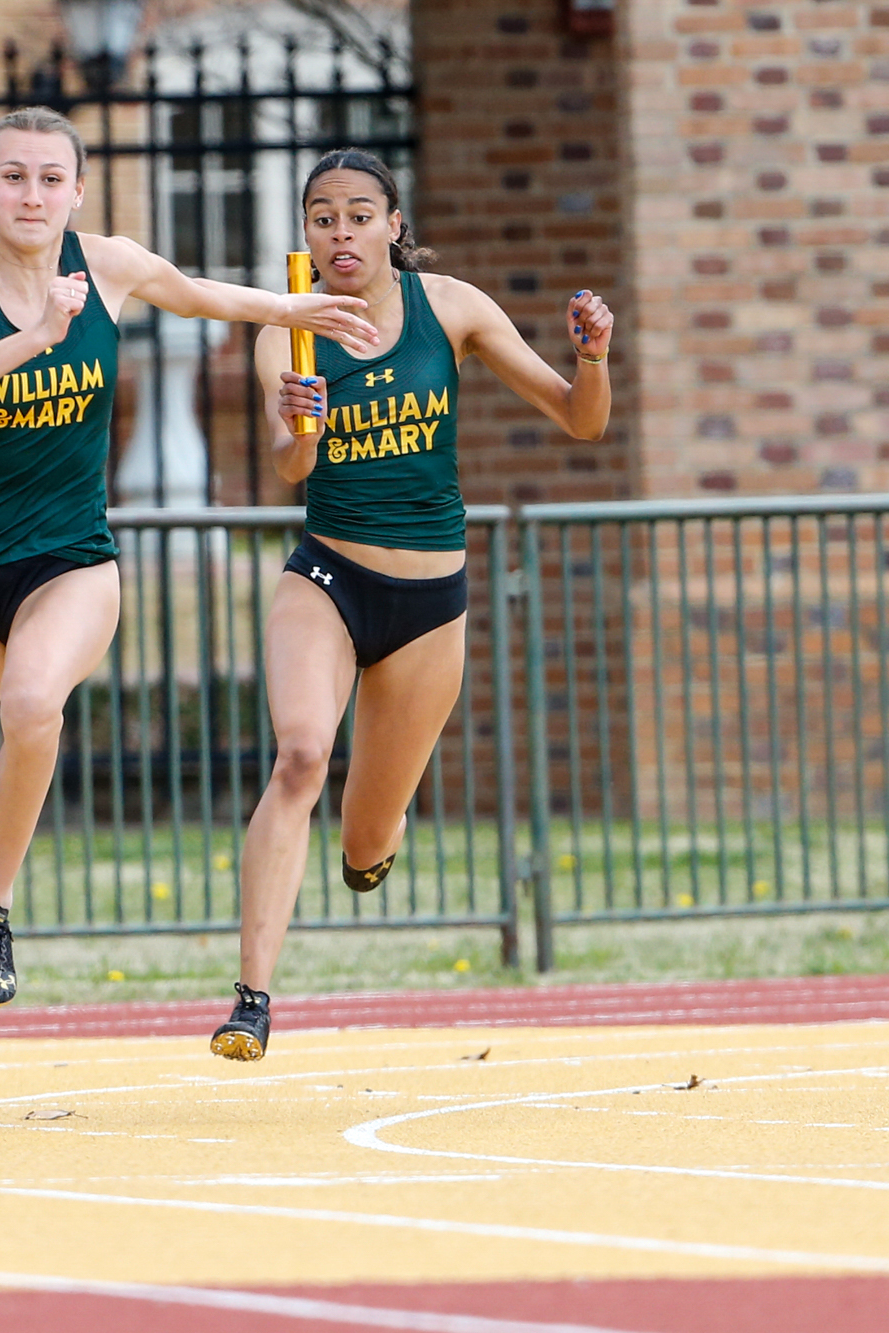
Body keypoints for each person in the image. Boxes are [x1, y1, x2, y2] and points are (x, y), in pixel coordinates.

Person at [0, 106, 379, 1129]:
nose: (30, 195)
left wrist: (302, 314)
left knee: (33, 702)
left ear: (76, 190)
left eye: (49, 178)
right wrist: (28, 338)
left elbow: (199, 294)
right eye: (12, 177)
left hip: (70, 557)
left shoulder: (105, 265)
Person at [211, 148, 613, 1061]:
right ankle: (252, 1000)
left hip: (430, 600)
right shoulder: (289, 327)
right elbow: (287, 469)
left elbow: (580, 419)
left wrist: (591, 358)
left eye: (359, 214)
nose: (340, 232)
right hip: (328, 575)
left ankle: (374, 841)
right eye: (322, 217)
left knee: (363, 842)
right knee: (303, 754)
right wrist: (301, 426)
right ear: (305, 235)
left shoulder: (454, 308)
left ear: (395, 225)